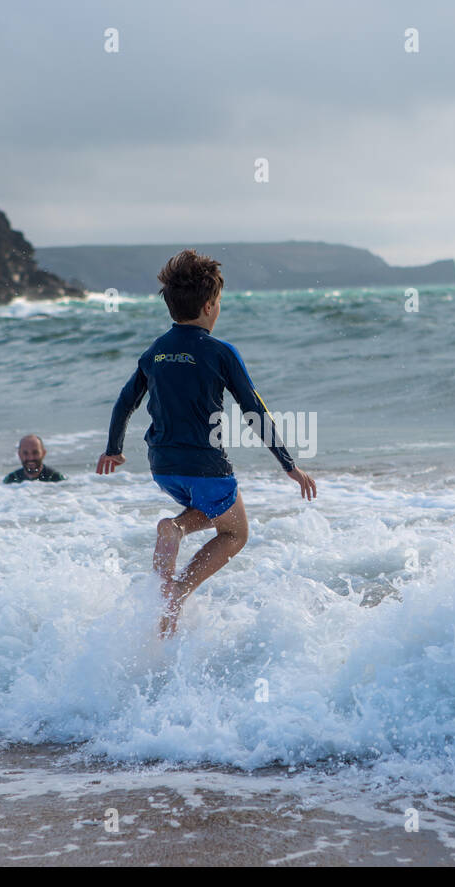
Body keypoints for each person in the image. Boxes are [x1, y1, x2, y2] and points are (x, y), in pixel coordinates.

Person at [96, 249, 316, 636]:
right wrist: (288, 464)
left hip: (162, 467)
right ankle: (178, 587)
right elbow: (254, 410)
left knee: (209, 510)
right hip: (205, 466)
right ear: (211, 305)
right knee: (235, 533)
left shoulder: (155, 351)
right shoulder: (220, 351)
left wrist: (113, 449)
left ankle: (176, 529)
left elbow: (124, 402)